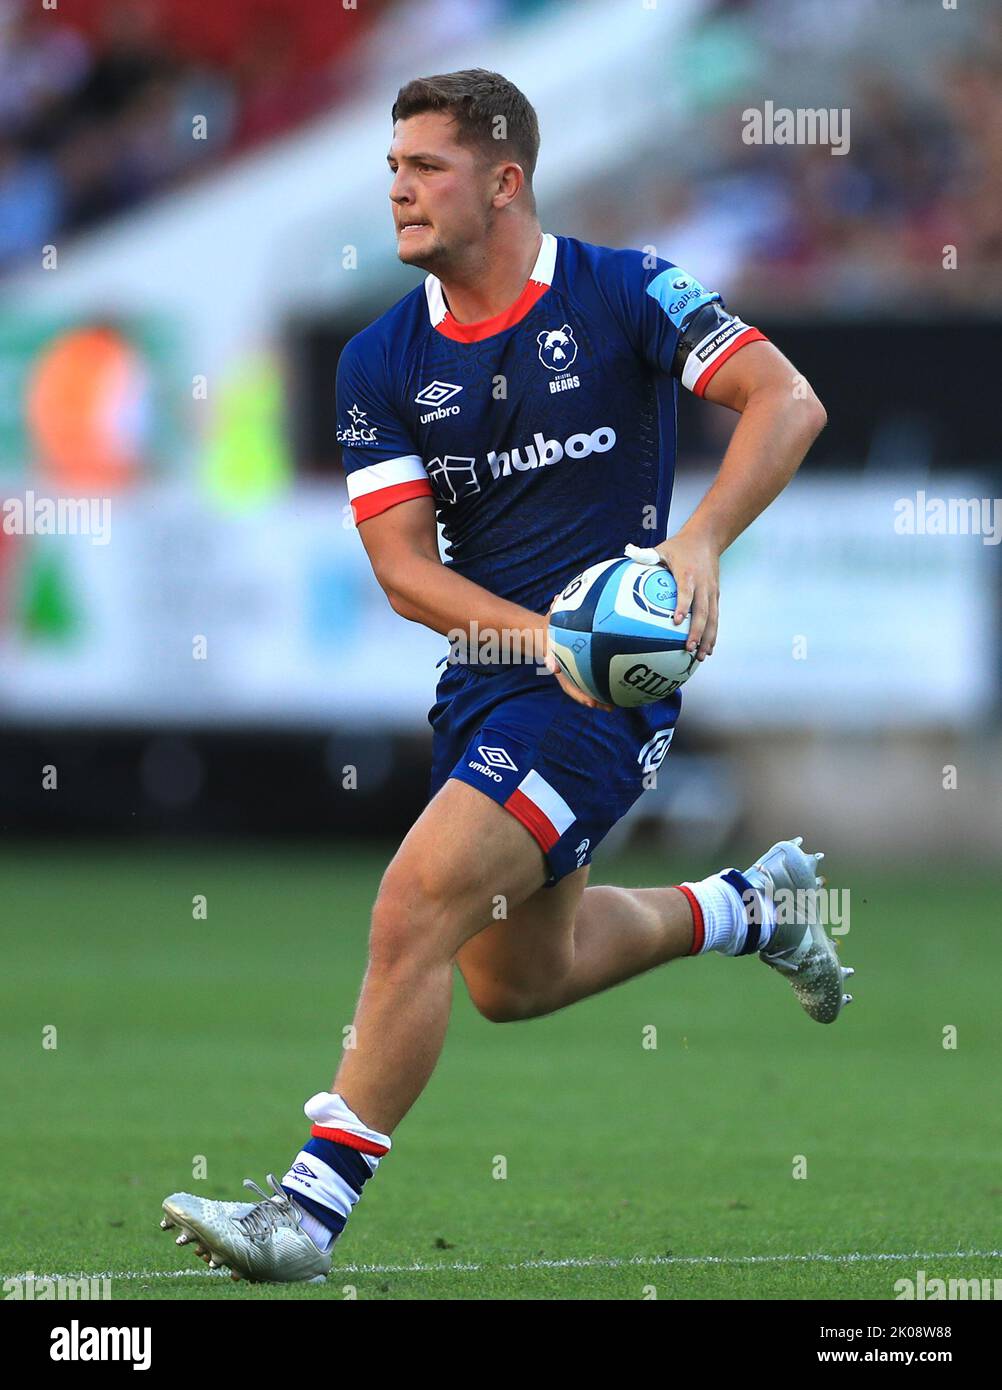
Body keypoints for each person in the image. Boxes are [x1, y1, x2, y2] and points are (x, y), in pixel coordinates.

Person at [161, 68, 853, 1284]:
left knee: (412, 904)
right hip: (498, 679)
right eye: (392, 170)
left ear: (504, 178)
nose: (400, 192)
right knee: (514, 979)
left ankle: (302, 1216)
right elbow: (401, 570)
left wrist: (696, 540)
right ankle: (749, 907)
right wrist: (536, 638)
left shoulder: (623, 289)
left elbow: (785, 401)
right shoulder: (380, 359)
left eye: (424, 168)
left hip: (604, 697)